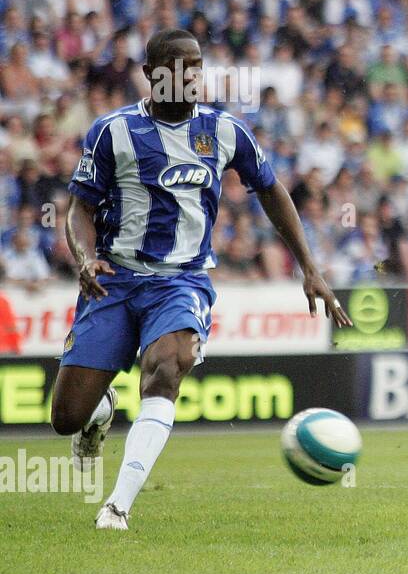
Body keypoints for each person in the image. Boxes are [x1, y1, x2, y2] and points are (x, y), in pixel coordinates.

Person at [51, 28, 351, 530]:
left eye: (196, 65)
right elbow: (80, 207)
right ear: (151, 75)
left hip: (182, 281)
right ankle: (100, 410)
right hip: (115, 281)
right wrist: (85, 257)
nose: (190, 75)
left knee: (169, 367)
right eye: (177, 65)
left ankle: (117, 505)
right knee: (65, 419)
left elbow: (273, 191)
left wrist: (310, 267)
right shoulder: (113, 132)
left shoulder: (225, 131)